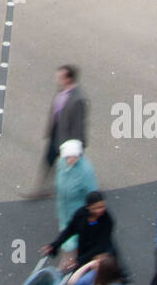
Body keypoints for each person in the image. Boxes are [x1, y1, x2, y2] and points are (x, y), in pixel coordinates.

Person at [26, 65, 85, 199]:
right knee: (49, 160)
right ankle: (41, 189)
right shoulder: (61, 92)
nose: (57, 79)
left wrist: (75, 146)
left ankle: (83, 189)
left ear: (68, 79)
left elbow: (78, 125)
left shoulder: (77, 99)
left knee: (73, 167)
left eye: (60, 77)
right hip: (56, 135)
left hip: (68, 141)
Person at [43, 190, 118, 274]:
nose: (100, 210)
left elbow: (101, 245)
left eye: (102, 207)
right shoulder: (80, 215)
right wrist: (54, 245)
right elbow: (69, 230)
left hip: (101, 255)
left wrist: (79, 260)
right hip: (84, 252)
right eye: (96, 208)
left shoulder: (107, 220)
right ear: (88, 207)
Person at [54, 139, 98, 259]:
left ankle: (69, 264)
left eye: (73, 157)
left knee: (71, 243)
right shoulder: (61, 163)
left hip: (78, 214)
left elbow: (92, 195)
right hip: (64, 212)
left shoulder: (85, 171)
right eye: (67, 157)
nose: (70, 160)